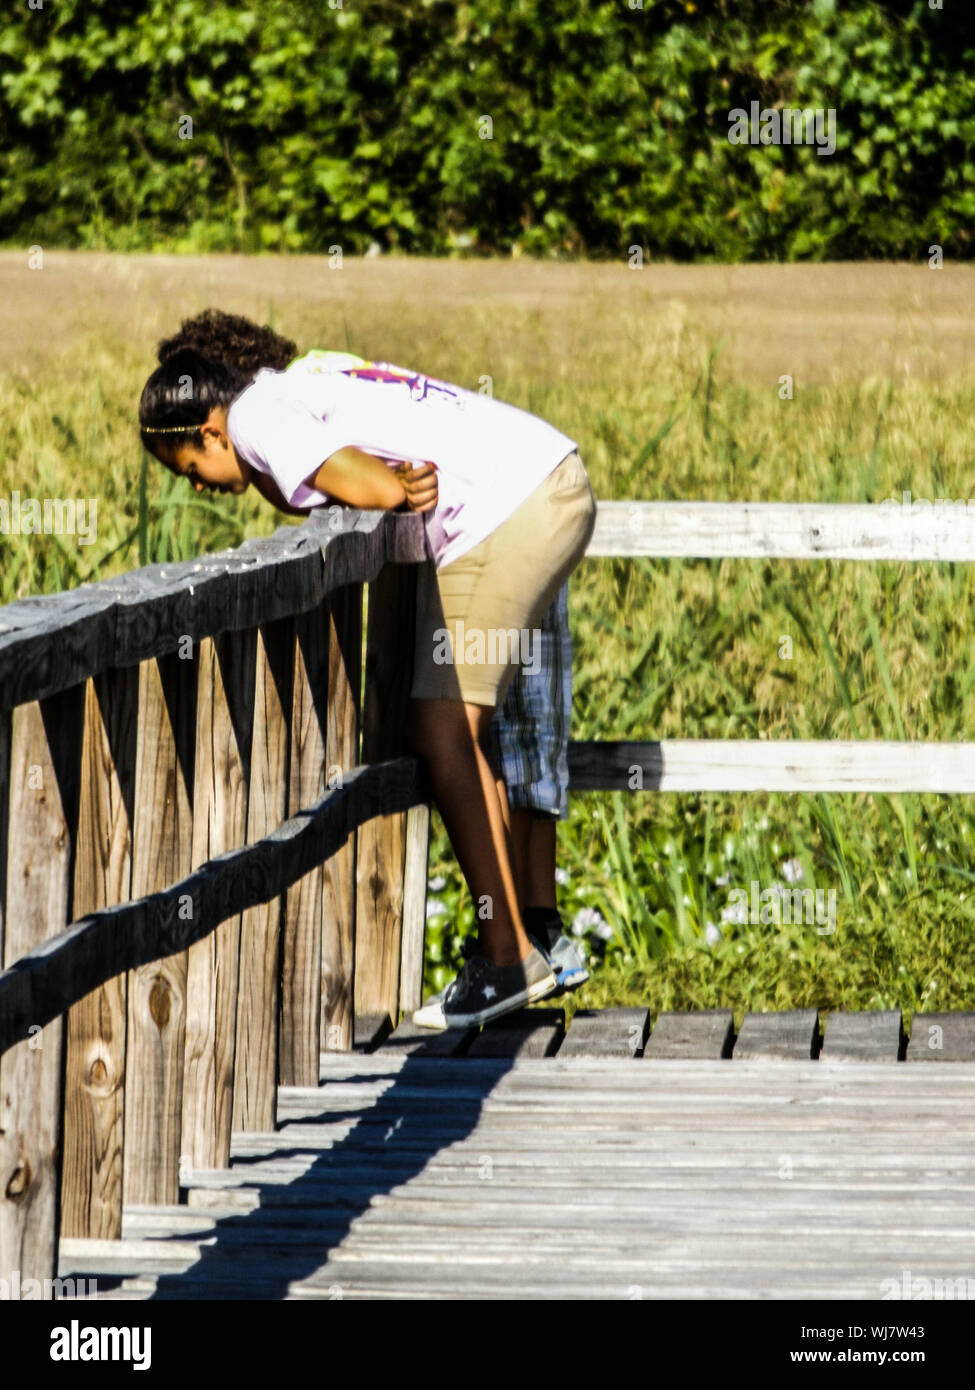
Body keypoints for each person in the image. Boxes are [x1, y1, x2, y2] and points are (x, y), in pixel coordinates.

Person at [138, 311, 596, 1027]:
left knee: (442, 727)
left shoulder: (258, 417)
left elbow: (377, 491)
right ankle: (532, 938)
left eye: (190, 468)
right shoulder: (299, 378)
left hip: (511, 509)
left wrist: (387, 484)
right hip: (547, 477)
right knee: (483, 730)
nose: (196, 486)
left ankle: (506, 960)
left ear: (210, 430)